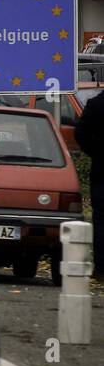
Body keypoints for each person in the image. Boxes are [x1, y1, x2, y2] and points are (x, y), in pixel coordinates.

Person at [75, 90, 104, 277]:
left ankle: (101, 268)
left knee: (101, 220)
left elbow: (80, 134)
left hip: (102, 171)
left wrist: (96, 152)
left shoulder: (96, 104)